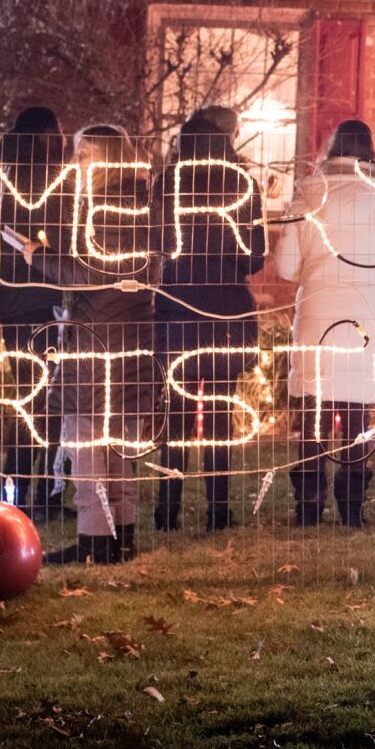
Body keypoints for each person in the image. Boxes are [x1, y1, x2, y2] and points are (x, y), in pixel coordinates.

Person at [21, 125, 158, 564]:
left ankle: (93, 541)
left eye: (84, 155)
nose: (75, 165)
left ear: (108, 158)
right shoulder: (139, 202)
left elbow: (94, 274)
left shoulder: (107, 208)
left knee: (86, 441)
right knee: (114, 442)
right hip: (127, 334)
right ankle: (122, 535)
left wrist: (38, 258)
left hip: (100, 340)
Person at [273, 119, 375, 528]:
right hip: (366, 318)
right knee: (357, 416)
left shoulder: (308, 194)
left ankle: (309, 504)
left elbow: (284, 267)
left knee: (314, 413)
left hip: (317, 313)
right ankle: (352, 507)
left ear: (331, 149)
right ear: (371, 151)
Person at [153, 107, 265, 533]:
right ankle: (218, 511)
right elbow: (253, 258)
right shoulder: (243, 186)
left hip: (176, 309)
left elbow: (158, 245)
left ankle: (168, 511)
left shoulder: (168, 184)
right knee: (220, 412)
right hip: (225, 310)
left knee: (176, 415)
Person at [0, 105, 66, 517]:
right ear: (48, 135)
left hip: (12, 303)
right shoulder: (55, 182)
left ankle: (15, 489)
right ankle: (44, 493)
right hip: (45, 299)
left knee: (29, 396)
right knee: (48, 399)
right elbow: (65, 241)